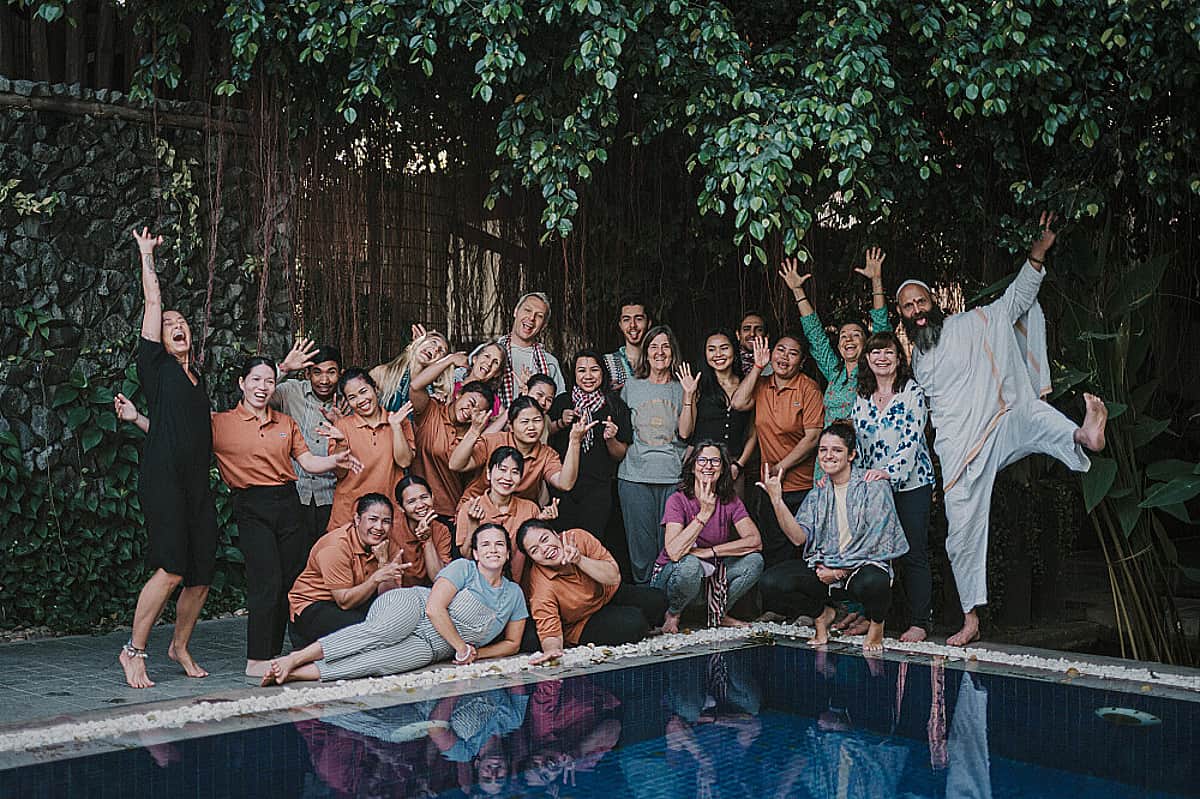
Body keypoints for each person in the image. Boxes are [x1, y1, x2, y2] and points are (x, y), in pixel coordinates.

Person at [896, 212, 1107, 645]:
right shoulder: (914, 360)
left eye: (921, 302)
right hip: (958, 450)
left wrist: (1038, 252)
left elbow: (1015, 300)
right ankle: (971, 617)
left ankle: (1082, 436)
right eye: (908, 307)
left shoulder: (970, 323)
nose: (917, 311)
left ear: (934, 302)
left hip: (997, 420)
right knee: (960, 537)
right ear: (902, 315)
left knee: (1031, 413)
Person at [115, 356, 363, 676]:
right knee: (266, 581)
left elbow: (309, 463)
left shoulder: (285, 423)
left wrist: (336, 460)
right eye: (256, 380)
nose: (262, 388)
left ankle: (281, 654)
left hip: (289, 504)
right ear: (241, 383)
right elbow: (172, 437)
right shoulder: (219, 423)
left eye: (269, 382)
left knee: (292, 581)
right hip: (251, 506)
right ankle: (256, 659)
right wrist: (137, 418)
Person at [119, 227, 217, 689]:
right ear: (157, 336)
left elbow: (171, 432)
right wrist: (146, 258)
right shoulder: (155, 366)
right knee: (173, 567)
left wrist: (139, 420)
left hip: (196, 483)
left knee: (201, 571)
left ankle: (179, 644)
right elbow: (153, 304)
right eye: (169, 322)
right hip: (163, 481)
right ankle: (132, 651)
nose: (177, 325)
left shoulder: (194, 379)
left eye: (184, 323)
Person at [266, 523, 527, 683]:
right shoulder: (463, 568)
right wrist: (461, 648)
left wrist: (476, 653)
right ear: (477, 552)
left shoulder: (514, 594)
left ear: (507, 553)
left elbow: (512, 644)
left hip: (432, 646)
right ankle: (295, 658)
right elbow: (434, 608)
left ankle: (294, 673)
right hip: (414, 607)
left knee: (377, 663)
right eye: (486, 544)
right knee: (381, 633)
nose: (493, 549)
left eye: (499, 545)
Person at [757, 422, 910, 652]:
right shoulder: (818, 493)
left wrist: (839, 572)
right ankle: (823, 615)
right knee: (770, 582)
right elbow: (798, 538)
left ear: (852, 455)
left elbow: (879, 542)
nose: (828, 456)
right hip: (824, 566)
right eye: (823, 450)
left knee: (876, 582)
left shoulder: (874, 487)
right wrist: (777, 500)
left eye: (837, 450)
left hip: (859, 569)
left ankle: (877, 624)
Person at [854, 331, 936, 642]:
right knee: (875, 554)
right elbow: (859, 445)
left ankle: (919, 621)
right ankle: (874, 618)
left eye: (888, 352)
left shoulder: (911, 391)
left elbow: (913, 438)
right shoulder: (862, 396)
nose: (882, 358)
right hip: (875, 488)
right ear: (868, 359)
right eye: (875, 353)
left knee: (913, 552)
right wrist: (857, 480)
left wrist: (889, 472)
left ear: (898, 358)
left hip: (912, 484)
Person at [730, 333, 825, 567]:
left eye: (793, 353)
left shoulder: (808, 389)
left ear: (802, 361)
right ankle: (776, 603)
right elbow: (738, 403)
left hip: (802, 487)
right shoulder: (762, 385)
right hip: (771, 486)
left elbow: (812, 438)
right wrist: (758, 367)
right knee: (773, 549)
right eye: (780, 350)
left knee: (803, 550)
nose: (785, 357)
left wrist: (780, 467)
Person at [652, 443, 764, 632]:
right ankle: (673, 613)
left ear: (722, 469)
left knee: (754, 561)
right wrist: (704, 514)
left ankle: (718, 613)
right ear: (693, 467)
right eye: (702, 460)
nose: (708, 466)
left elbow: (755, 541)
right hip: (675, 576)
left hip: (712, 577)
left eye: (715, 461)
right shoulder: (677, 500)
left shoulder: (730, 500)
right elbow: (673, 551)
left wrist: (710, 551)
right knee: (690, 565)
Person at [517, 520, 668, 660]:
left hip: (607, 592)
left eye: (545, 539)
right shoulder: (540, 583)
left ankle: (625, 615)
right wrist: (552, 650)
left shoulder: (578, 537)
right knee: (635, 623)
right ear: (532, 558)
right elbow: (549, 630)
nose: (545, 550)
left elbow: (614, 577)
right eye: (535, 550)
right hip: (582, 620)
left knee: (658, 600)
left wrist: (579, 559)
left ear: (556, 534)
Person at [780, 247, 891, 425]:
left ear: (867, 342)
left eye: (856, 335)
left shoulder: (874, 370)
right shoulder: (834, 372)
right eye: (843, 336)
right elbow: (816, 336)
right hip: (830, 449)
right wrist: (797, 290)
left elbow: (883, 332)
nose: (848, 339)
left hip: (862, 449)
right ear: (839, 346)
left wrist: (876, 280)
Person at [288, 493, 409, 648]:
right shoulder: (336, 546)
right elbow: (344, 601)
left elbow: (388, 599)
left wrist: (383, 562)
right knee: (370, 631)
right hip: (315, 606)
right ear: (357, 519)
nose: (379, 528)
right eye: (373, 519)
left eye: (386, 522)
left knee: (393, 622)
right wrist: (375, 578)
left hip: (356, 602)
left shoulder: (387, 544)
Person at [617, 325, 688, 584]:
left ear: (673, 352)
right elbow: (622, 431)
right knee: (641, 551)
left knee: (670, 547)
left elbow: (688, 434)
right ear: (646, 353)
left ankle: (670, 604)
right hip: (634, 476)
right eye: (654, 346)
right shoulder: (631, 387)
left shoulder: (682, 388)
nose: (660, 352)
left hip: (671, 477)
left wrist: (690, 394)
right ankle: (648, 605)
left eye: (665, 346)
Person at [547, 350, 632, 538]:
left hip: (598, 489)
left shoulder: (615, 405)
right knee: (562, 541)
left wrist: (611, 439)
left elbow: (620, 454)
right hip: (562, 487)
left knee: (592, 542)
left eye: (594, 370)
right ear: (573, 374)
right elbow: (544, 434)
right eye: (581, 370)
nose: (588, 376)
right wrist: (561, 423)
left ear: (603, 372)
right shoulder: (562, 402)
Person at [319, 367, 415, 531]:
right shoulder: (342, 425)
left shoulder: (398, 420)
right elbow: (340, 473)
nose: (361, 400)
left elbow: (405, 462)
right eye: (352, 397)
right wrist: (341, 443)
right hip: (350, 513)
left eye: (363, 391)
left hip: (387, 513)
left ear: (375, 389)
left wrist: (396, 427)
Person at [269, 339, 345, 543]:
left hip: (332, 497)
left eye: (331, 372)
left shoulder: (349, 401)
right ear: (307, 373)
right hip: (293, 494)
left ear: (341, 373)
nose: (324, 380)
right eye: (317, 372)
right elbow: (254, 395)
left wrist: (343, 426)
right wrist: (284, 368)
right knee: (293, 561)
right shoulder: (290, 391)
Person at [451, 395, 588, 504]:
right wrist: (474, 432)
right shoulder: (494, 441)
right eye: (524, 422)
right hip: (476, 507)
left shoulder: (546, 454)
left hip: (516, 517)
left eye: (537, 420)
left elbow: (565, 484)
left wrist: (575, 441)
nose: (531, 427)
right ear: (510, 425)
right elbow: (455, 464)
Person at [406, 366, 496, 520]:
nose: (471, 411)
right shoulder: (432, 410)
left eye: (478, 411)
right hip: (414, 506)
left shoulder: (473, 437)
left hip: (447, 511)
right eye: (471, 402)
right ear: (459, 394)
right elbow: (415, 386)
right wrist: (450, 360)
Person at [455, 446, 556, 583]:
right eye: (502, 470)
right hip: (479, 588)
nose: (507, 477)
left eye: (515, 472)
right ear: (489, 474)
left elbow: (537, 554)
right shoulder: (470, 508)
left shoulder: (530, 508)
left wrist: (540, 523)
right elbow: (466, 556)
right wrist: (473, 524)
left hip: (518, 589)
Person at [677, 329, 758, 492]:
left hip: (734, 466)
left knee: (734, 515)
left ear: (734, 350)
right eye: (711, 349)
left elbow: (753, 433)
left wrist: (738, 465)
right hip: (701, 466)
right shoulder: (697, 386)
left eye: (724, 348)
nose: (718, 354)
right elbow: (685, 433)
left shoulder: (747, 385)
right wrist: (689, 395)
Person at [496, 292, 566, 407]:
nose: (531, 318)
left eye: (539, 316)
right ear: (516, 311)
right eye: (527, 310)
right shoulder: (490, 353)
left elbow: (558, 403)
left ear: (543, 325)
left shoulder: (550, 363)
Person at [371, 323, 455, 411]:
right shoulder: (382, 373)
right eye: (433, 342)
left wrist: (432, 405)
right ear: (419, 341)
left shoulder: (436, 393)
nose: (435, 349)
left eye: (441, 351)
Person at [391, 474, 454, 587]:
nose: (420, 505)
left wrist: (428, 540)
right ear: (400, 507)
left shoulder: (441, 530)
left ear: (432, 497)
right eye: (411, 501)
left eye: (424, 497)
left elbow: (438, 578)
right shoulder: (392, 530)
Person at [453, 339, 507, 427]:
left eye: (496, 362)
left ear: (497, 373)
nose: (489, 363)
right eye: (487, 356)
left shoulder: (496, 404)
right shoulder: (450, 388)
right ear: (475, 358)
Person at [605, 297, 650, 391]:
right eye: (626, 319)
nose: (633, 325)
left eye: (638, 319)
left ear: (648, 323)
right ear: (620, 325)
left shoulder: (658, 361)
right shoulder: (607, 363)